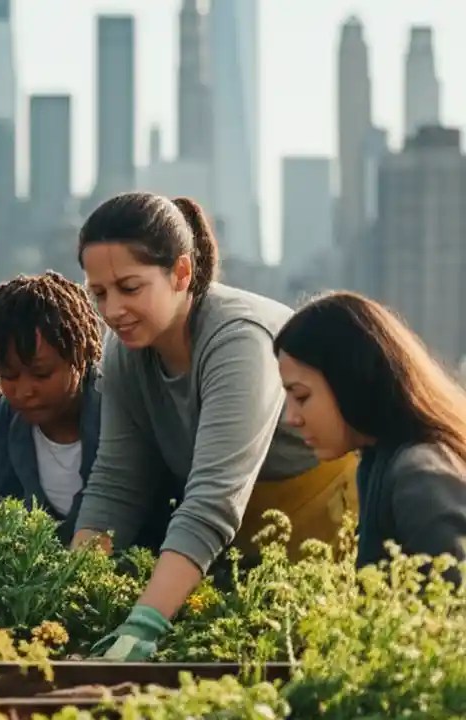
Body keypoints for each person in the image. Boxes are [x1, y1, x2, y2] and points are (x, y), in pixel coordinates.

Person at [70, 192, 358, 661]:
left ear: (181, 273)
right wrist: (69, 605)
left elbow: (212, 499)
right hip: (239, 537)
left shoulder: (239, 340)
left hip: (326, 518)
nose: (113, 309)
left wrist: (143, 625)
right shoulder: (123, 351)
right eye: (99, 293)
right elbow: (114, 486)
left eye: (130, 287)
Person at [0, 272, 168, 546]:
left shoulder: (122, 412)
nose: (25, 390)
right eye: (9, 376)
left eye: (41, 374)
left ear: (80, 356)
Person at [275, 291, 466, 569]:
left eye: (301, 396)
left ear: (350, 380)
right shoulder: (377, 463)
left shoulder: (419, 475)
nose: (290, 418)